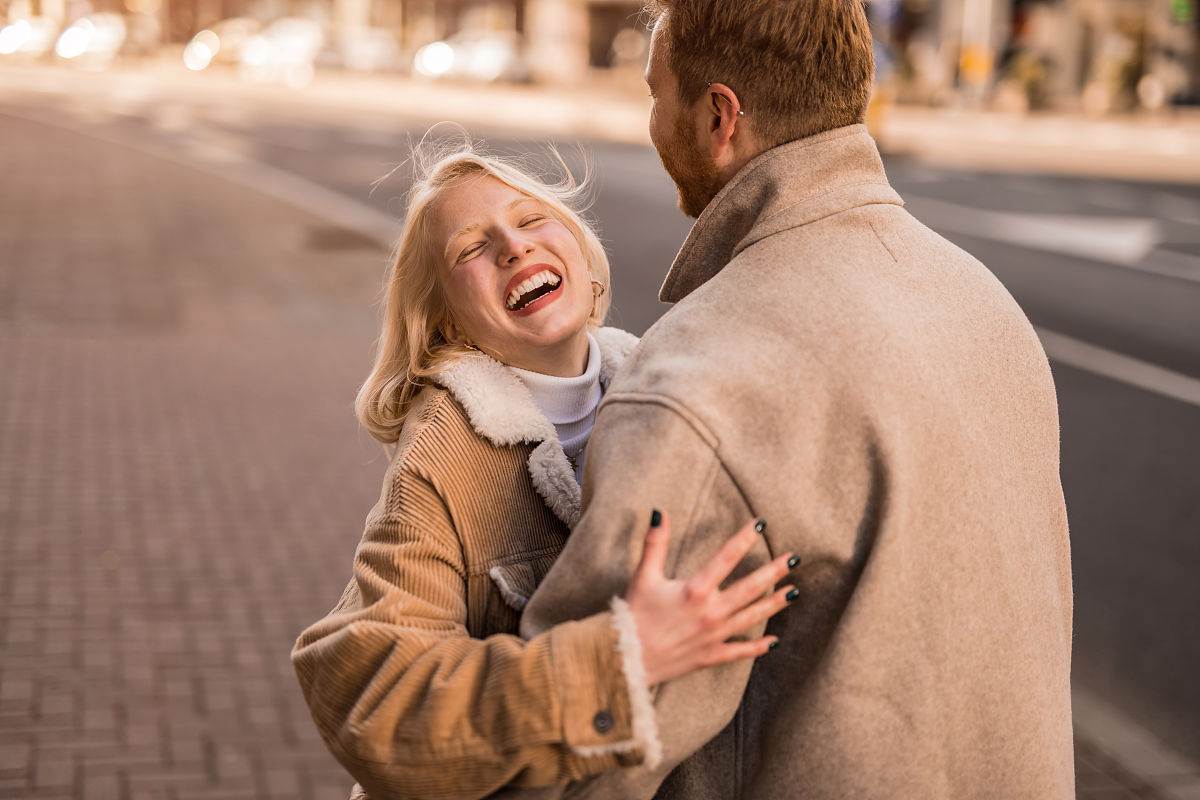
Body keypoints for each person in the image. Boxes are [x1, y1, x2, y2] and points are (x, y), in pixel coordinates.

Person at [506, 0, 1075, 797]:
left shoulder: (701, 377)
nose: (652, 120)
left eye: (655, 94)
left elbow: (578, 759)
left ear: (719, 117)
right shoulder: (985, 302)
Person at [290, 142, 799, 800]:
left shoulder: (673, 390)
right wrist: (621, 661)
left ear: (581, 256)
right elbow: (375, 697)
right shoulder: (441, 457)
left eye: (531, 220)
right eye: (471, 248)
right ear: (447, 324)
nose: (513, 246)